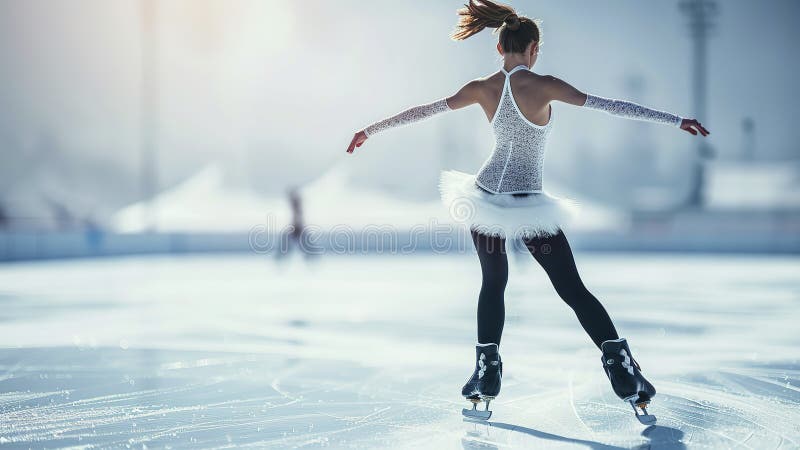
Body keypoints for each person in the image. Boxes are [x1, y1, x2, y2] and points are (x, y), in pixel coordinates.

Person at [345, 0, 709, 422]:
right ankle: (624, 373)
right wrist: (675, 119)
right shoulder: (546, 85)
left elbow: (423, 110)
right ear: (533, 49)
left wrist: (369, 130)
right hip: (527, 203)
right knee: (572, 290)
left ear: (499, 49)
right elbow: (612, 105)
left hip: (484, 198)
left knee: (493, 284)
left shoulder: (481, 88)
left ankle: (485, 374)